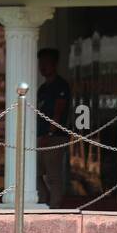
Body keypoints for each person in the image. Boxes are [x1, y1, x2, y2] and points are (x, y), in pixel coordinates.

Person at [36, 48, 71, 207]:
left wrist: (49, 133)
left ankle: (55, 207)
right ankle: (43, 201)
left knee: (53, 175)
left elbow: (58, 111)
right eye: (41, 63)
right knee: (34, 173)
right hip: (40, 136)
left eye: (47, 63)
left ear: (55, 64)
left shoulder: (61, 86)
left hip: (55, 137)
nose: (43, 66)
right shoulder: (42, 89)